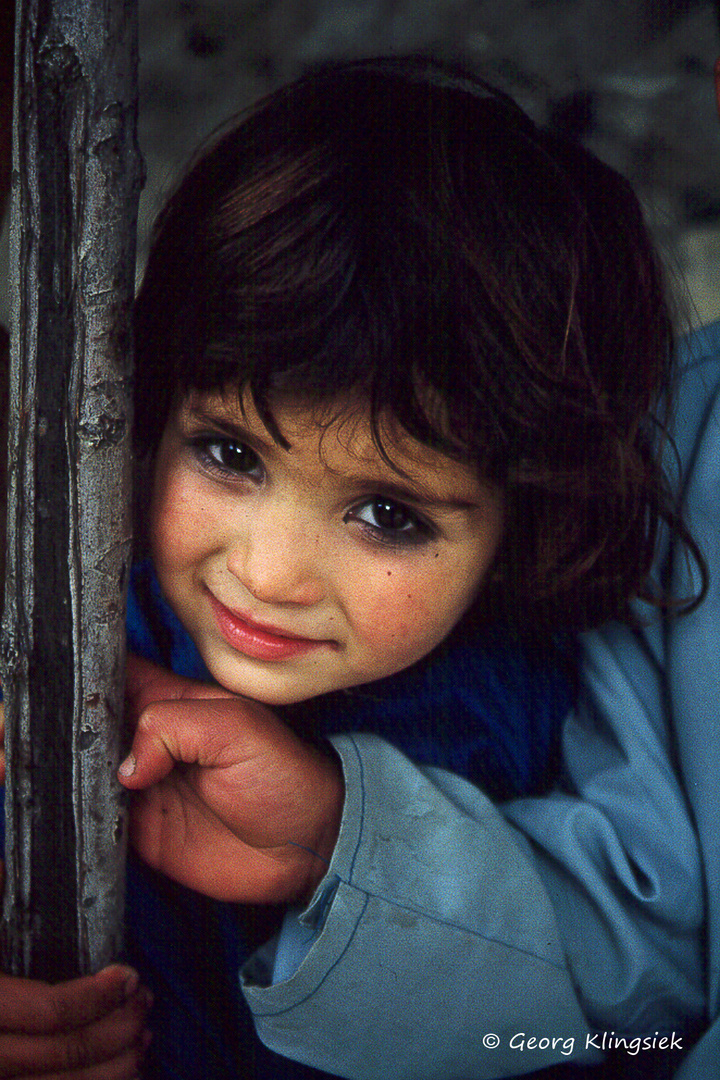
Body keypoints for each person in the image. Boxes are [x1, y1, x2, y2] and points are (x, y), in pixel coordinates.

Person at [0, 55, 709, 1077]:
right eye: (232, 453)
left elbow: (625, 1033)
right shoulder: (65, 630)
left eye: (388, 513)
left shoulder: (536, 742)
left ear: (531, 519)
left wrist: (344, 844)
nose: (272, 571)